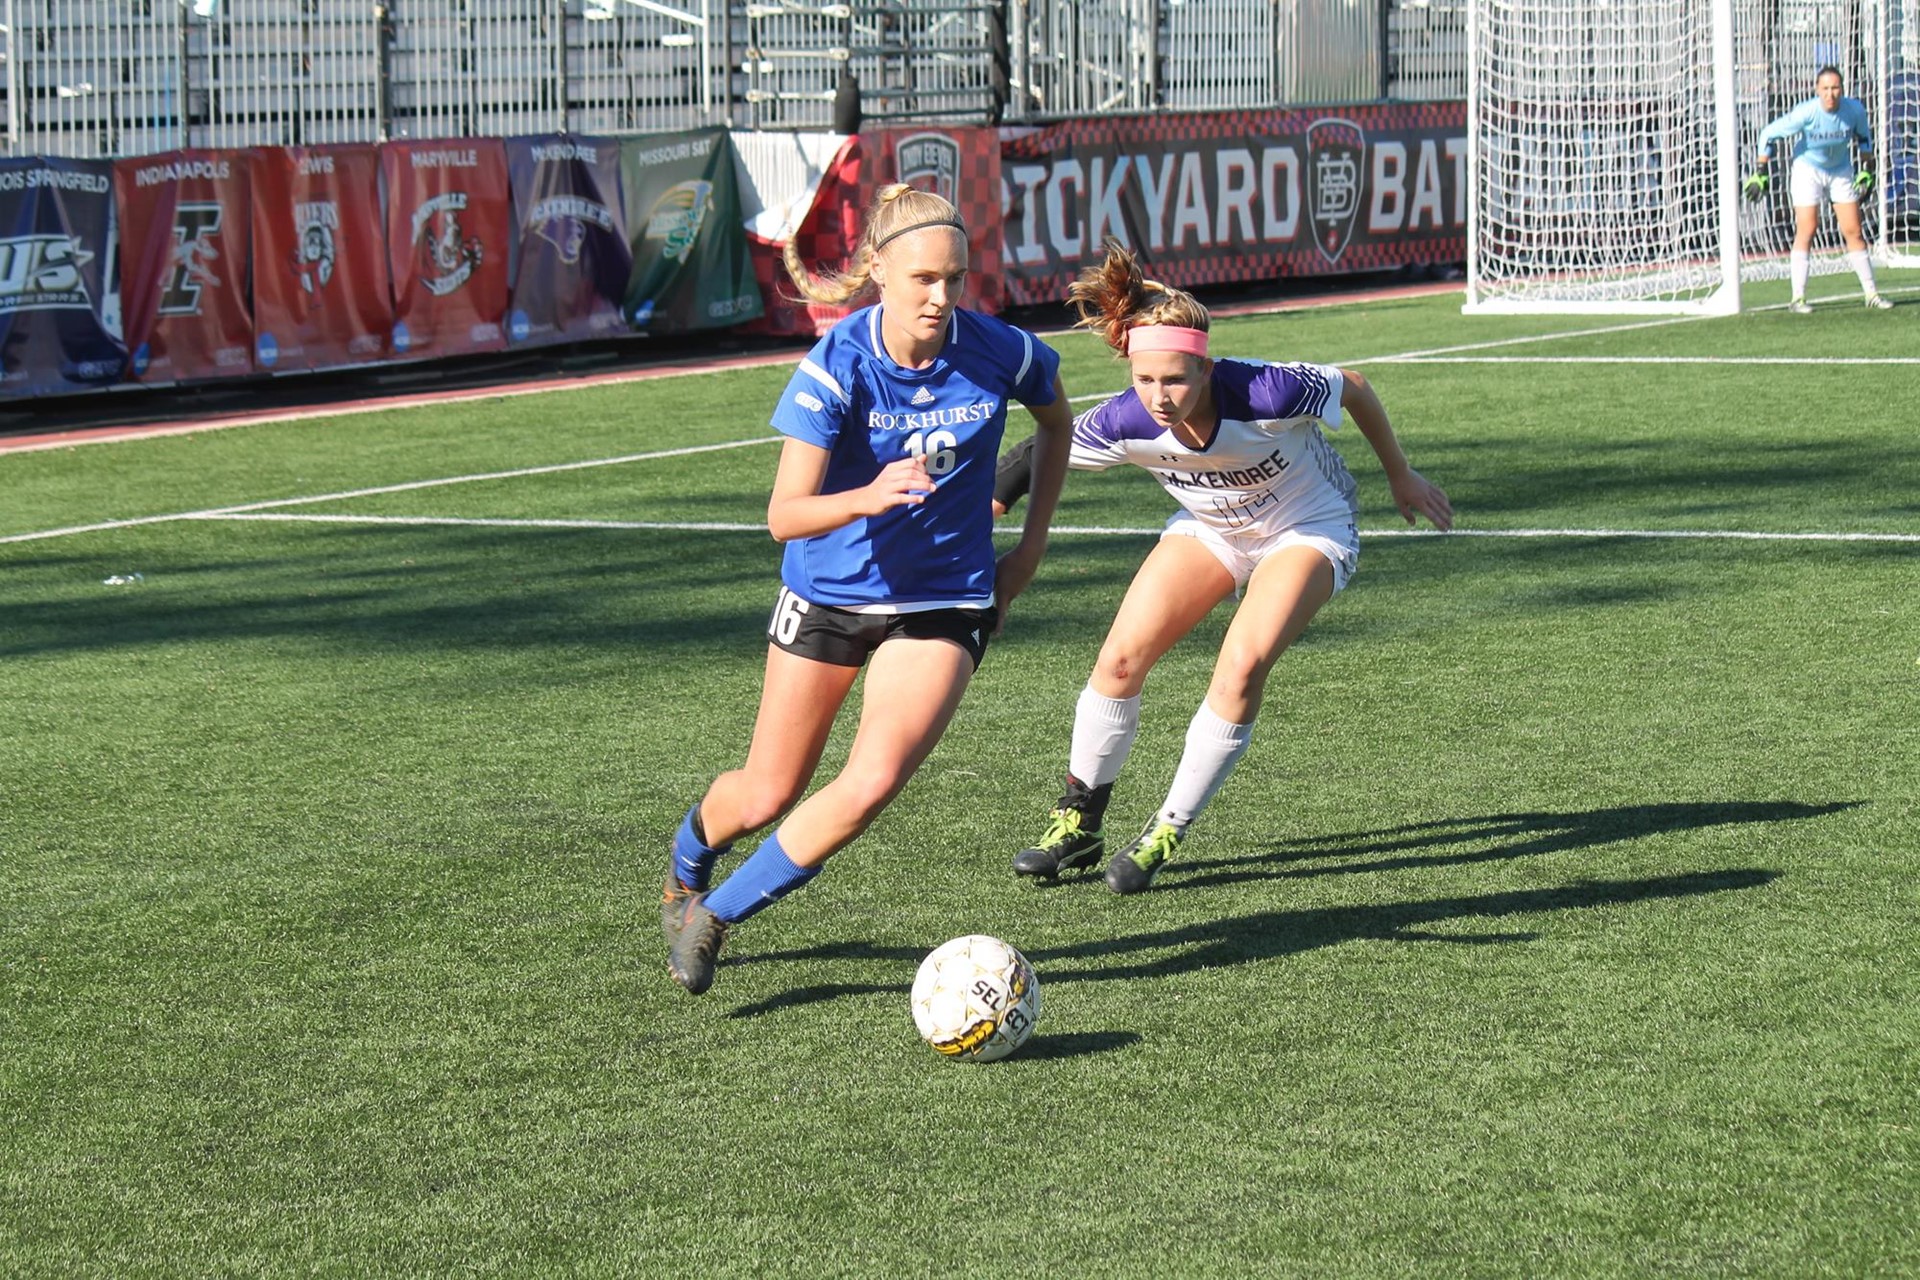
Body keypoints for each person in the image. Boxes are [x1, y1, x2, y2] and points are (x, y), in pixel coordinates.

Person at [660, 184, 1075, 994]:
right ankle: (687, 872)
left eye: (955, 277)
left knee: (874, 778)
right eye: (923, 278)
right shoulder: (836, 367)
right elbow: (785, 516)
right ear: (878, 269)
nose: (942, 296)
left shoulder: (1000, 349)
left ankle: (717, 915)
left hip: (944, 600)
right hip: (828, 594)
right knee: (766, 790)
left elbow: (1057, 422)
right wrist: (867, 495)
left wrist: (1030, 546)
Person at [995, 238, 1452, 893]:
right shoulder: (1129, 419)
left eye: (1176, 378)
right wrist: (991, 498)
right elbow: (1041, 446)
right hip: (1213, 528)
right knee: (1119, 659)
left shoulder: (1266, 393)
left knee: (1239, 665)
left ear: (1207, 370)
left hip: (1307, 529)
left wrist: (1401, 475)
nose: (1159, 395)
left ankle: (1165, 830)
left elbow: (1353, 386)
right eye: (1146, 379)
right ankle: (1079, 822)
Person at [1744, 66, 1894, 313]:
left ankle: (1871, 293)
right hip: (1807, 170)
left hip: (1841, 170)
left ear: (1842, 89)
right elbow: (1768, 134)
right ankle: (1798, 298)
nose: (1830, 94)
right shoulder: (1806, 112)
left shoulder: (1854, 110)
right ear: (1817, 89)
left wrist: (1867, 170)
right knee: (1808, 227)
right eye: (1825, 88)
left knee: (1853, 230)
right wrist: (1760, 171)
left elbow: (1864, 138)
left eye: (1835, 88)